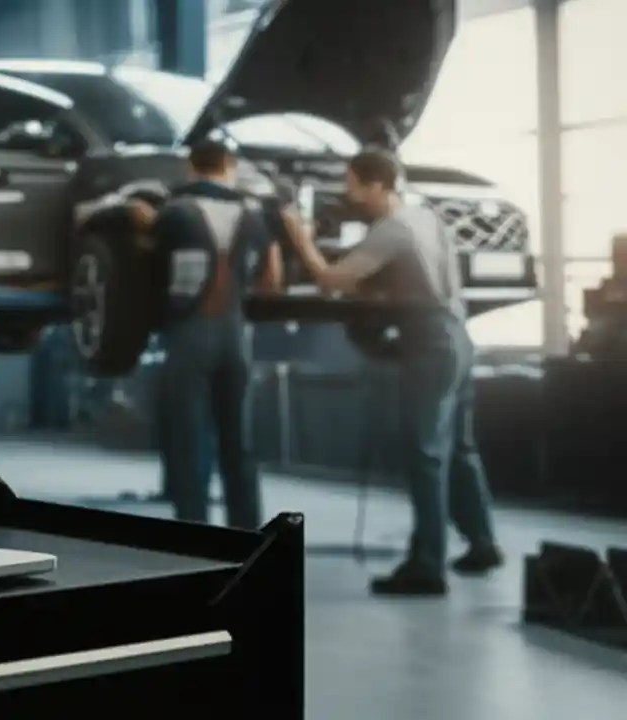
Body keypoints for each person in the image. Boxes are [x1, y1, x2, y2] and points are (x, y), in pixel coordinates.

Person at [282, 149, 504, 595]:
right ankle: (482, 543)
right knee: (459, 448)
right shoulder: (424, 217)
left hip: (430, 344)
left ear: (375, 185)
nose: (348, 194)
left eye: (351, 185)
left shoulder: (391, 231)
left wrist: (298, 235)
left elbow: (331, 280)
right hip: (458, 336)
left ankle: (426, 567)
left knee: (424, 455)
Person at [144, 140, 282, 529]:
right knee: (238, 443)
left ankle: (194, 536)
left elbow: (144, 270)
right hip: (235, 335)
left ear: (192, 167)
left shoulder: (173, 211)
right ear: (228, 166)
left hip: (188, 332)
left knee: (188, 441)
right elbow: (272, 279)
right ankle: (248, 534)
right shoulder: (253, 214)